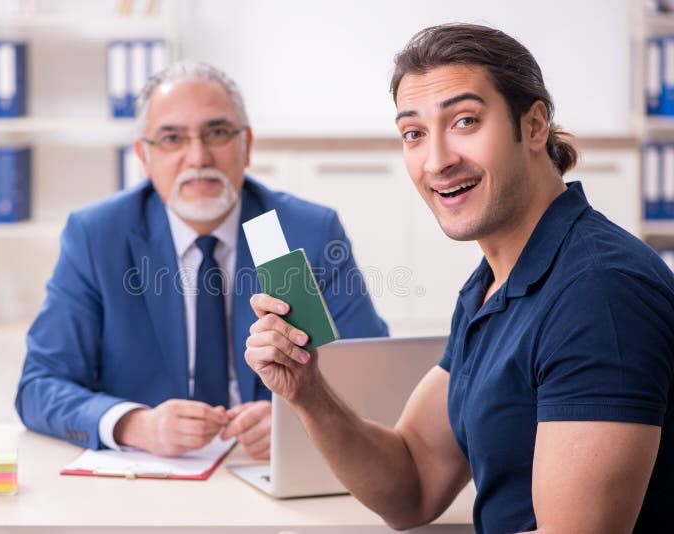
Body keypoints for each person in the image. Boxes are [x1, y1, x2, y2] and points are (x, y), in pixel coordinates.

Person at [245, 23, 674, 533]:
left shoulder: (599, 292)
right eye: (414, 134)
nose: (438, 160)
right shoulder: (491, 284)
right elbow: (414, 482)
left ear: (535, 126)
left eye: (466, 121)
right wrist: (306, 391)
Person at [14, 61, 388, 460]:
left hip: (269, 466)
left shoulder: (306, 232)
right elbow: (39, 385)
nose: (198, 157)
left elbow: (373, 375)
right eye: (172, 137)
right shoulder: (97, 235)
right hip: (149, 473)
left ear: (246, 144)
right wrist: (134, 424)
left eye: (217, 133)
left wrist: (301, 415)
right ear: (144, 155)